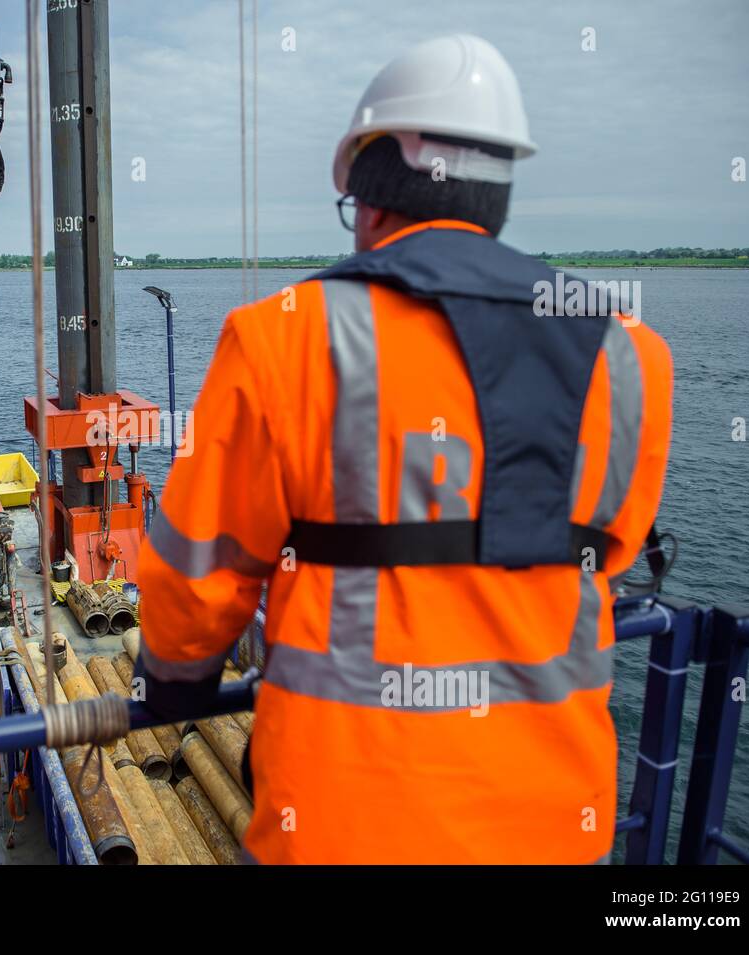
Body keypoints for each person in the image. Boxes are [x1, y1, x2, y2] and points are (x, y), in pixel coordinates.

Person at [134, 34, 673, 864]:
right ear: (495, 196)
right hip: (553, 827)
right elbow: (618, 550)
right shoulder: (628, 353)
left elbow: (198, 571)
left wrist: (176, 682)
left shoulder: (285, 338)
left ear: (375, 198)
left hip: (343, 827)